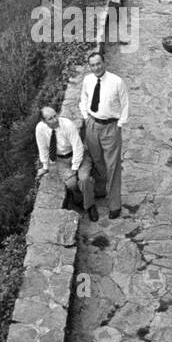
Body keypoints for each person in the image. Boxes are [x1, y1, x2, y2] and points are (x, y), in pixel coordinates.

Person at [79, 48, 129, 219]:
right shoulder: (87, 80)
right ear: (90, 67)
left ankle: (115, 204)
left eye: (99, 63)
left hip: (110, 127)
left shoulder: (117, 81)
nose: (96, 67)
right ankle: (101, 190)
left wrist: (120, 124)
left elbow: (125, 104)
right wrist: (86, 118)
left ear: (104, 63)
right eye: (93, 65)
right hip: (92, 125)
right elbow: (84, 99)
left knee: (113, 166)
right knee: (97, 160)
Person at [35, 106, 96, 217]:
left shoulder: (67, 125)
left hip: (78, 155)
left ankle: (90, 205)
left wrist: (74, 168)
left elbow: (78, 147)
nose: (55, 120)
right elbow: (42, 148)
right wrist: (45, 166)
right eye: (50, 118)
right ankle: (80, 198)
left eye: (55, 115)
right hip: (60, 160)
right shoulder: (40, 129)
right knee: (71, 183)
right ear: (43, 121)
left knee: (84, 179)